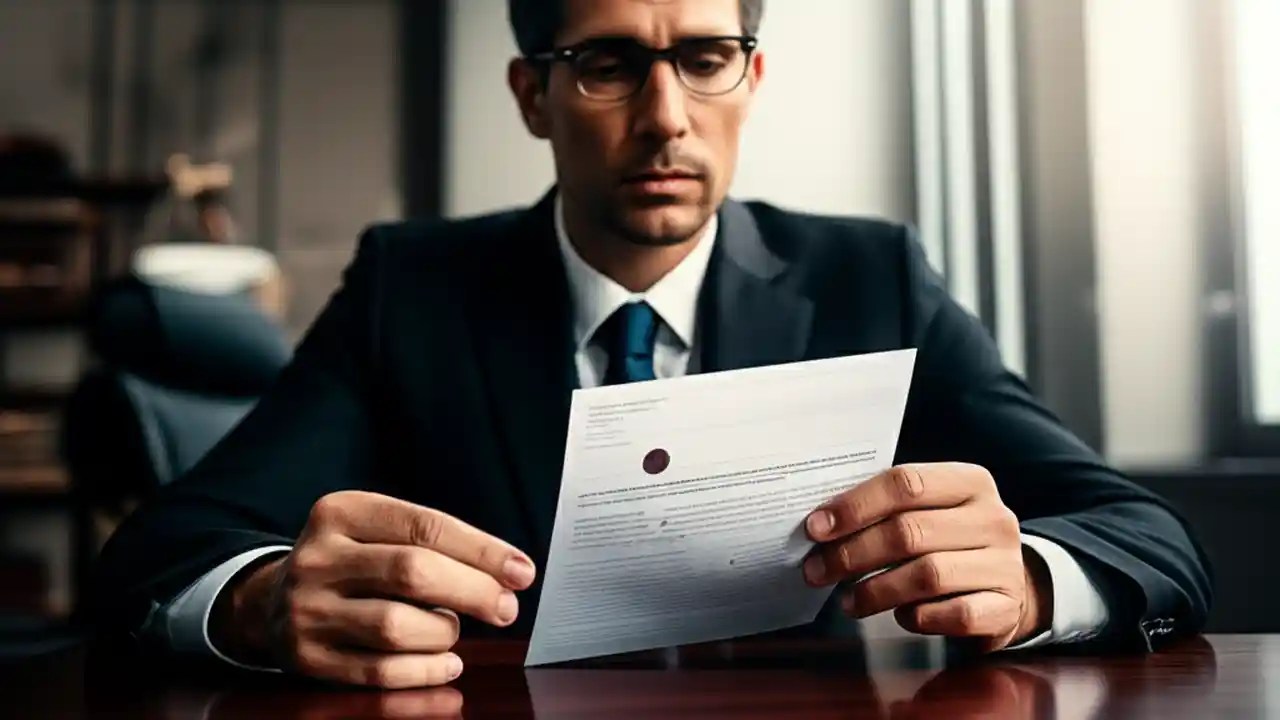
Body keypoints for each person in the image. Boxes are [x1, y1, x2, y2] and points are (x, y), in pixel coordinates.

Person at [92, 0, 1211, 689]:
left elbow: (1147, 539)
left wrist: (1022, 580)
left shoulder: (870, 277)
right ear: (533, 94)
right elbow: (158, 558)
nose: (667, 116)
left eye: (707, 56)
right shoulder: (411, 289)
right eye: (609, 63)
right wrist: (261, 601)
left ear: (752, 78)